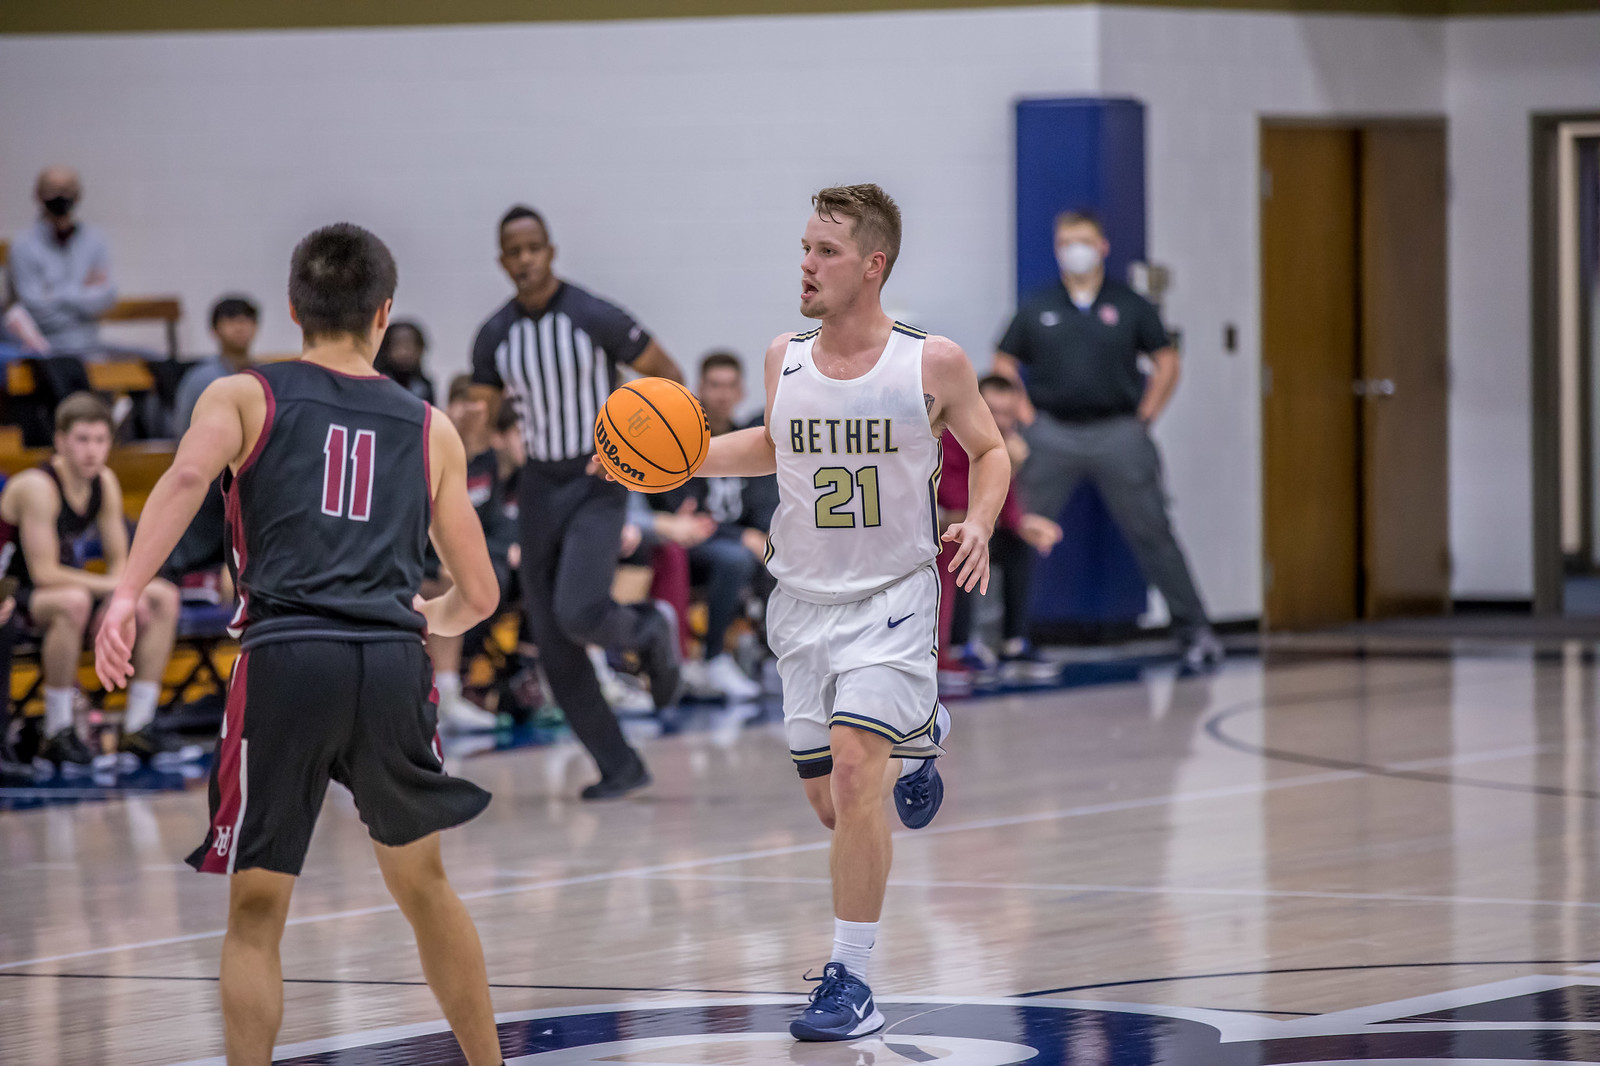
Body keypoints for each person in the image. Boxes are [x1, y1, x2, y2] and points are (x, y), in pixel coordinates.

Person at [93, 223, 506, 1066]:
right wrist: (420, 622)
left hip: (287, 658)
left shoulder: (245, 395)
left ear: (292, 308)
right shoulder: (431, 427)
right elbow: (483, 594)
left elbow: (180, 481)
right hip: (391, 665)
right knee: (424, 888)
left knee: (256, 909)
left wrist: (127, 594)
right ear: (384, 314)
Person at [688, 185, 1010, 1040]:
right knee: (835, 807)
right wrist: (676, 459)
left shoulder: (930, 363)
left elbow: (988, 449)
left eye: (826, 252)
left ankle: (851, 981)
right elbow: (773, 444)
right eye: (804, 248)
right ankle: (924, 726)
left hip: (894, 601)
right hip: (801, 607)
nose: (806, 264)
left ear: (873, 265)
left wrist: (976, 521)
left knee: (861, 773)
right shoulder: (782, 357)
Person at [469, 204, 683, 800]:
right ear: (503, 261)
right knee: (553, 638)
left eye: (533, 247)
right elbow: (480, 422)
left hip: (599, 478)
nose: (525, 259)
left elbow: (667, 375)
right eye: (513, 251)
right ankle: (619, 765)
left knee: (580, 610)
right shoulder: (494, 335)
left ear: (550, 250)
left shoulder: (593, 315)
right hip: (539, 484)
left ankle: (651, 629)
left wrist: (631, 444)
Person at [994, 210, 1224, 673]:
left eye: (1082, 240)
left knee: (1154, 531)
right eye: (1065, 242)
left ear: (1102, 247)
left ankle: (1194, 631)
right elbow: (1003, 360)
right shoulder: (1039, 305)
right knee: (1017, 527)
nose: (1073, 249)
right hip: (1052, 432)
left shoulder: (1131, 304)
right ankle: (1000, 638)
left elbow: (1166, 361)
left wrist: (1146, 416)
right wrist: (1023, 414)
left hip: (1118, 431)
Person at [0, 392, 181, 766]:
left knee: (162, 597)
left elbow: (120, 562)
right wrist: (118, 590)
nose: (92, 451)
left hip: (62, 586)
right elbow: (44, 574)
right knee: (74, 601)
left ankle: (138, 725)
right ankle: (57, 729)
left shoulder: (105, 481)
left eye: (100, 441)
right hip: (15, 589)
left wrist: (120, 602)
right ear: (60, 441)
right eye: (82, 440)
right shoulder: (38, 486)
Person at [669, 350, 776, 700]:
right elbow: (685, 514)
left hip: (735, 541)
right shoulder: (681, 436)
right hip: (691, 543)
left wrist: (766, 536)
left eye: (730, 386)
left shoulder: (749, 439)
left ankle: (774, 657)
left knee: (781, 555)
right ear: (700, 388)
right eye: (714, 385)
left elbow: (762, 502)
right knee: (736, 558)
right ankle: (713, 658)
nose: (722, 394)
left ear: (741, 391)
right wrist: (743, 536)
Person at [937, 375, 1053, 683]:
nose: (1000, 420)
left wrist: (1027, 526)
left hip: (975, 526)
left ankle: (1013, 643)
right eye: (993, 411)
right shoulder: (951, 439)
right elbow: (956, 507)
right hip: (947, 530)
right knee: (964, 546)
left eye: (1007, 413)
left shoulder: (1003, 443)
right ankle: (956, 646)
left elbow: (1006, 505)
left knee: (1018, 548)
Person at [425, 376, 517, 732]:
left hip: (466, 560)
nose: (468, 410)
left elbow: (495, 522)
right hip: (425, 562)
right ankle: (444, 693)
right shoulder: (431, 451)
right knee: (451, 588)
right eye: (459, 401)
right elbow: (412, 523)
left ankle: (456, 691)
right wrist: (445, 564)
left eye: (475, 403)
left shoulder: (487, 460)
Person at [9, 166, 117, 354]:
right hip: (42, 348)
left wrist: (53, 293)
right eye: (52, 190)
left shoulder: (95, 241)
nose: (60, 197)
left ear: (77, 195)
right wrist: (83, 295)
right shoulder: (23, 245)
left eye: (66, 190)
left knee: (153, 363)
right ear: (39, 195)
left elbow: (106, 296)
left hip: (90, 346)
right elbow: (35, 306)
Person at [173, 296, 260, 435]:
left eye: (245, 321)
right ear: (215, 330)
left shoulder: (266, 375)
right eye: (231, 321)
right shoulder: (199, 379)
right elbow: (183, 429)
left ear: (255, 327)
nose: (239, 328)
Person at [374, 319, 437, 405]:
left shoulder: (424, 387)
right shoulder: (375, 385)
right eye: (398, 345)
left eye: (410, 346)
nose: (405, 352)